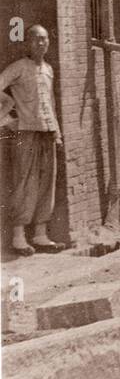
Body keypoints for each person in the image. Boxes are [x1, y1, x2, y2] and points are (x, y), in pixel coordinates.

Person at [0, 25, 65, 255]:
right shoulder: (19, 67)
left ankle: (40, 234)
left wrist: (56, 133)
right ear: (27, 42)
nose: (41, 43)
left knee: (47, 182)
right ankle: (19, 237)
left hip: (47, 132)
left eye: (45, 39)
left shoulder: (48, 69)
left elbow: (51, 103)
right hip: (26, 132)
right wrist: (7, 119)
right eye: (36, 39)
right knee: (24, 181)